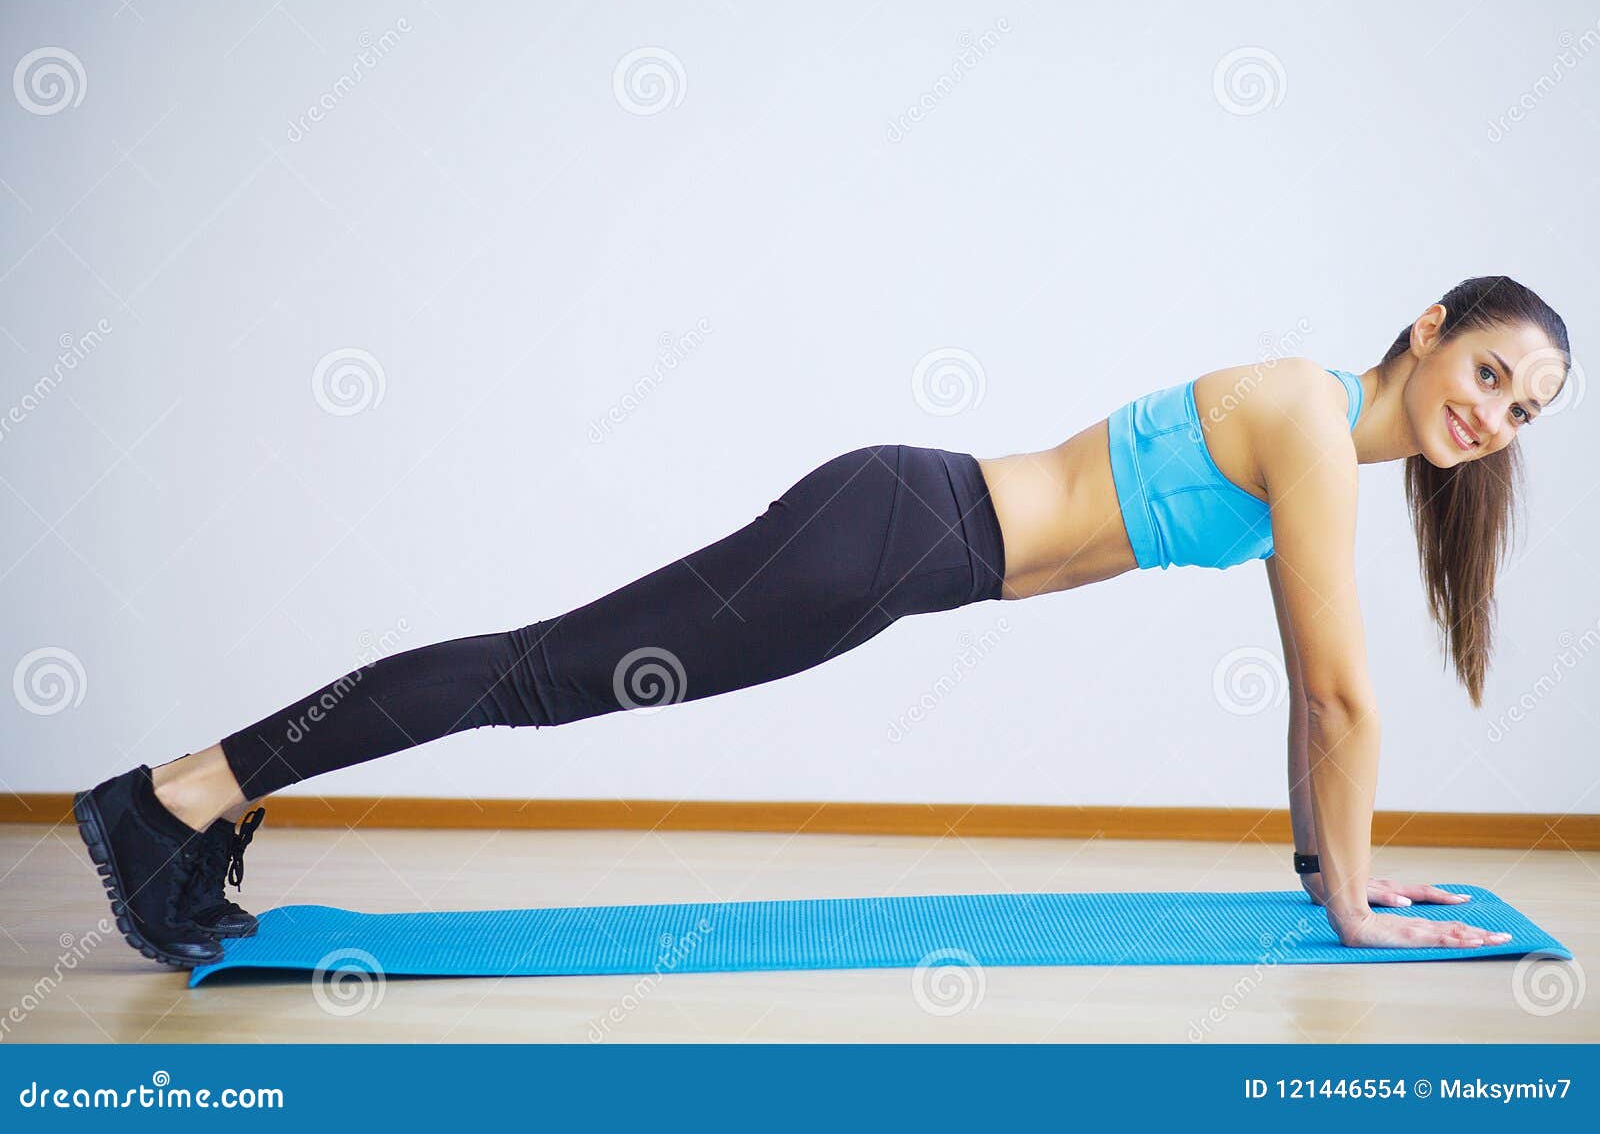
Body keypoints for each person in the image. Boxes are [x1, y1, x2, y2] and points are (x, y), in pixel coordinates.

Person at [74, 275, 1568, 968]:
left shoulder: (1313, 441)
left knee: (540, 674)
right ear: (1430, 324)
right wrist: (1362, 907)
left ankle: (190, 800)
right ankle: (174, 796)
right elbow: (1342, 703)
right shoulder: (1311, 421)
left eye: (1526, 414)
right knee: (536, 677)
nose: (1494, 417)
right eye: (1494, 372)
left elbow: (1311, 710)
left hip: (897, 539)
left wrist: (1324, 868)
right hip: (893, 533)